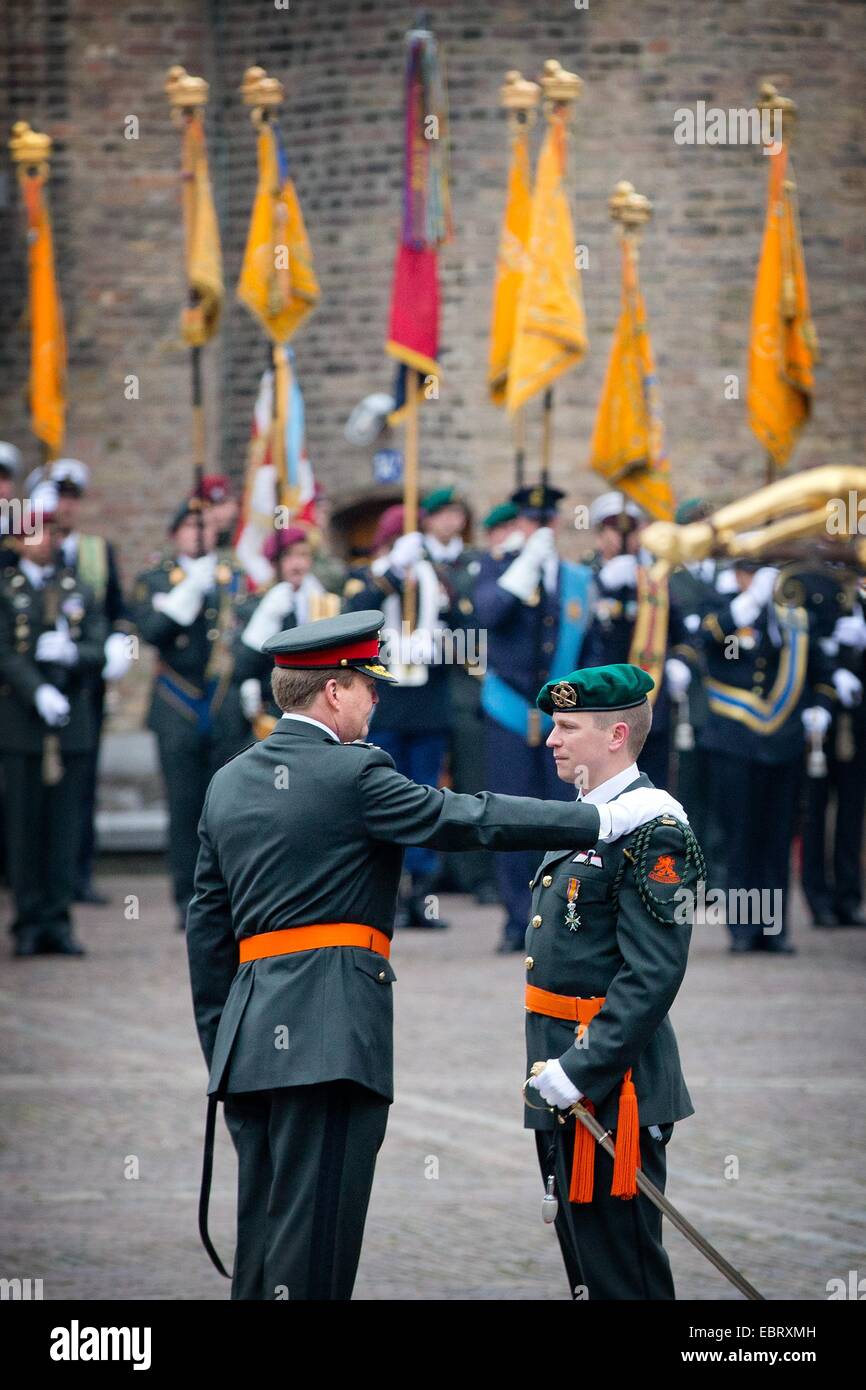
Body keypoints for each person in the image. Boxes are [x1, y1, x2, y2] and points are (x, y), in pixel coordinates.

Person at [185, 611, 686, 1301]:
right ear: (335, 692)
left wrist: (223, 1041)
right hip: (330, 1042)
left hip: (249, 1044)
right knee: (316, 1245)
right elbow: (463, 817)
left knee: (265, 1238)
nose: (377, 700)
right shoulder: (353, 773)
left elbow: (207, 929)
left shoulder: (228, 781)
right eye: (367, 686)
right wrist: (598, 820)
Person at [525, 663, 700, 1300]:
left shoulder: (656, 831)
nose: (552, 739)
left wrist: (583, 1068)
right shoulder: (590, 816)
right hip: (563, 1072)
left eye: (568, 727)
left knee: (624, 1273)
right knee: (587, 1270)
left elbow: (653, 972)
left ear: (617, 735)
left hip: (613, 1086)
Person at [698, 564, 855, 952]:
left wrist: (820, 705)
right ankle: (742, 930)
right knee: (741, 838)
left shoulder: (795, 619)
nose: (756, 580)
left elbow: (821, 672)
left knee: (777, 837)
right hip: (734, 742)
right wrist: (746, 605)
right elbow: (708, 640)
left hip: (783, 743)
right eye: (748, 572)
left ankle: (773, 928)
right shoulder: (724, 610)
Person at [474, 482, 593, 952]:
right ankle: (515, 919)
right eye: (530, 520)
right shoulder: (498, 567)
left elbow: (589, 648)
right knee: (510, 813)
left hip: (561, 712)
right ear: (517, 523)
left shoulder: (576, 578)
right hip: (508, 708)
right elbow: (490, 612)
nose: (539, 528)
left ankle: (561, 914)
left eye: (546, 521)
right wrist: (523, 564)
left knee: (563, 816)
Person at [132, 500, 254, 931]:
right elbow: (151, 631)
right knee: (184, 807)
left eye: (203, 525)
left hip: (222, 702)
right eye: (189, 526)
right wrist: (186, 592)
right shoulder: (156, 579)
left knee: (226, 807)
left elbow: (247, 632)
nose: (198, 533)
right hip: (177, 703)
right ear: (175, 533)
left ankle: (229, 894)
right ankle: (188, 897)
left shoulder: (232, 578)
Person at [342, 505, 462, 929]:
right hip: (384, 706)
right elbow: (355, 612)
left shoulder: (436, 576)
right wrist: (392, 573)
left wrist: (443, 641)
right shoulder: (369, 575)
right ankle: (381, 893)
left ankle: (421, 895)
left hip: (428, 706)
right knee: (380, 799)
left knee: (425, 799)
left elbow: (469, 633)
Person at [0, 482, 106, 956]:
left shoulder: (75, 588)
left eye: (51, 533)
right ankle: (27, 920)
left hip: (71, 721)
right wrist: (35, 688)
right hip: (22, 722)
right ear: (19, 541)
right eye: (37, 533)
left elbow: (98, 645)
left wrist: (75, 652)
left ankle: (59, 920)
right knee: (24, 826)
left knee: (65, 826)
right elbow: (4, 652)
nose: (48, 541)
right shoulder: (7, 590)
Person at [46, 458, 134, 905]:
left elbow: (117, 607)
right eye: (58, 496)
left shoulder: (97, 551)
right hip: (38, 683)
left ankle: (79, 871)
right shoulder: (24, 547)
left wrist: (120, 643)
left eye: (71, 497)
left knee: (82, 780)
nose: (65, 507)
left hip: (85, 682)